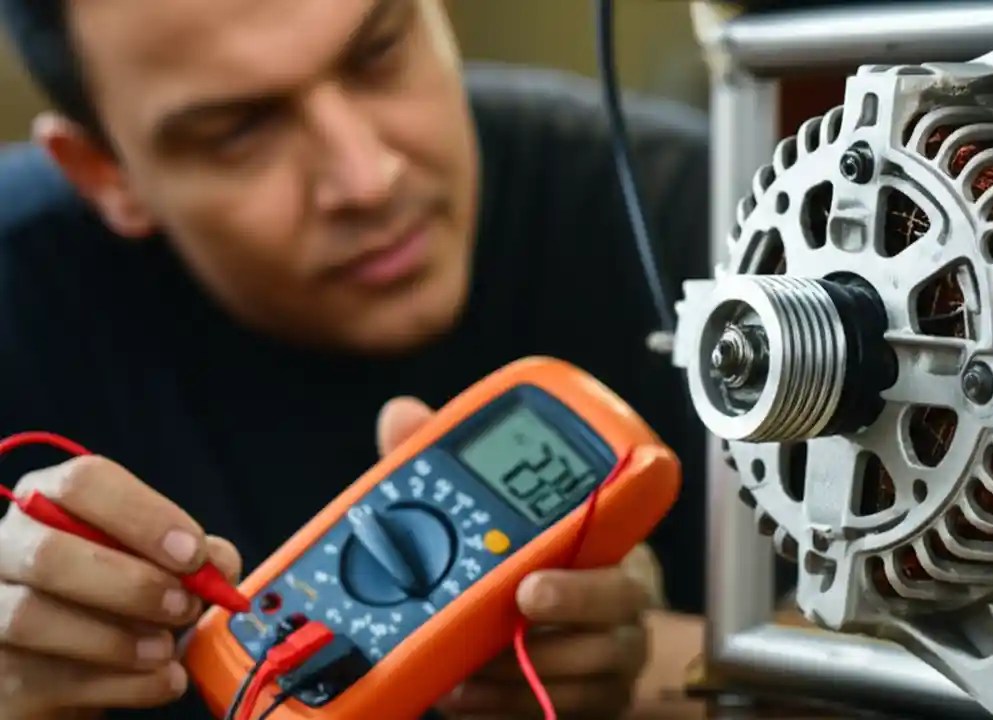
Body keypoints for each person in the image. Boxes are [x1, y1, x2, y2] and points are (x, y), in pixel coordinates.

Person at [0, 0, 712, 718]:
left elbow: (824, 659)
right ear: (104, 174)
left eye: (378, 52)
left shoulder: (697, 217)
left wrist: (655, 674)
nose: (368, 179)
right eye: (238, 131)